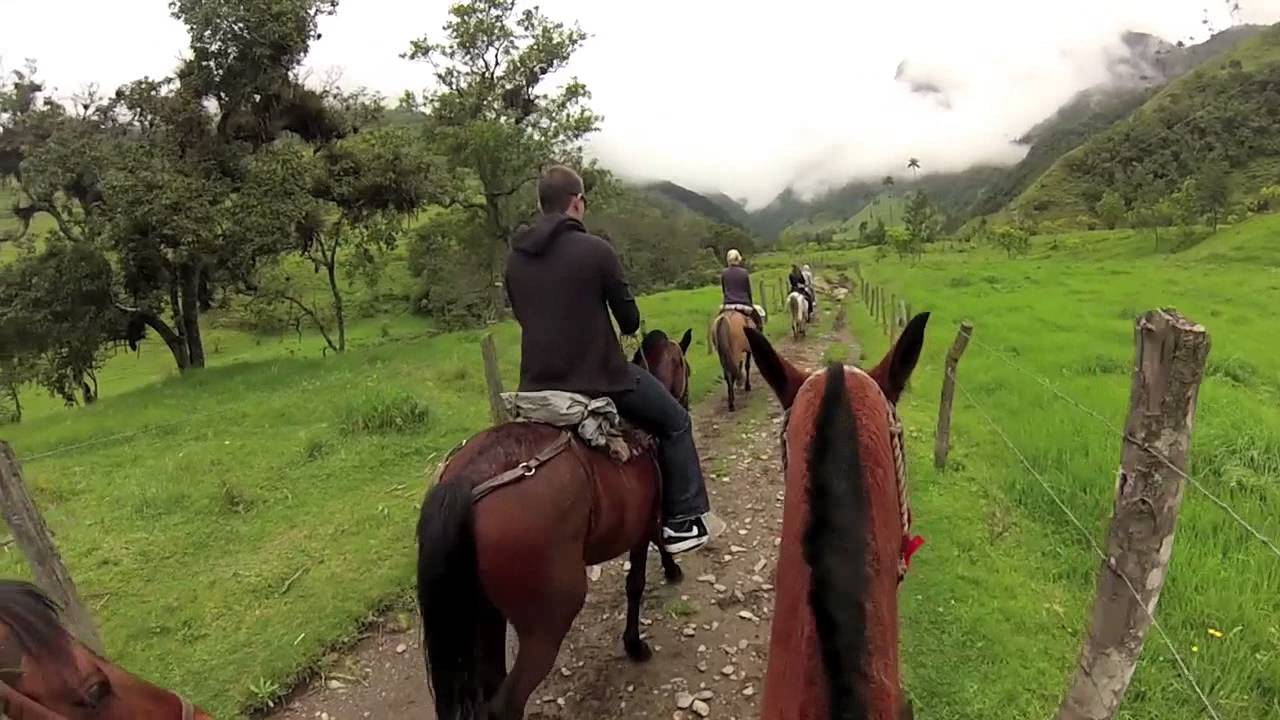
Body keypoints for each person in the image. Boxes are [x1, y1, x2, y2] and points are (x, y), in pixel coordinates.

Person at [504, 165, 716, 553]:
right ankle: (683, 521)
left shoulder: (515, 260)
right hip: (602, 377)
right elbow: (630, 320)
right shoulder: (596, 250)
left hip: (536, 384)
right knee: (676, 421)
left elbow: (524, 315)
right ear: (578, 203)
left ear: (540, 204)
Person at [720, 249, 763, 328]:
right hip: (743, 305)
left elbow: (724, 290)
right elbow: (748, 290)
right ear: (738, 259)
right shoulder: (744, 272)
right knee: (758, 322)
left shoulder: (724, 273)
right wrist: (751, 304)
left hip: (728, 305)